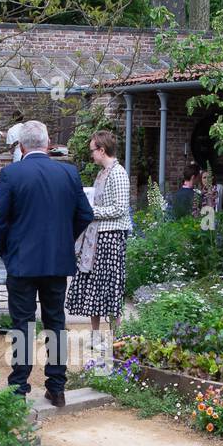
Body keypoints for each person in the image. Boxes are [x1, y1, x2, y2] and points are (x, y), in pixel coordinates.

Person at [0, 120, 93, 406]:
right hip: (56, 260)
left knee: (22, 323)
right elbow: (85, 214)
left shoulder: (12, 173)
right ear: (48, 145)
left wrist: (7, 252)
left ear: (21, 147)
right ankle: (57, 387)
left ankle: (19, 387)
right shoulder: (68, 172)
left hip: (22, 260)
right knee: (55, 322)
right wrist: (64, 239)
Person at [67, 130, 132, 354]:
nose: (91, 155)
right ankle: (95, 336)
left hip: (112, 237)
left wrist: (91, 211)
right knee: (94, 285)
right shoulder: (103, 173)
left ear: (102, 150)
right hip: (97, 236)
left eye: (93, 150)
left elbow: (120, 208)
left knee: (111, 286)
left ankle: (117, 337)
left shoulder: (118, 173)